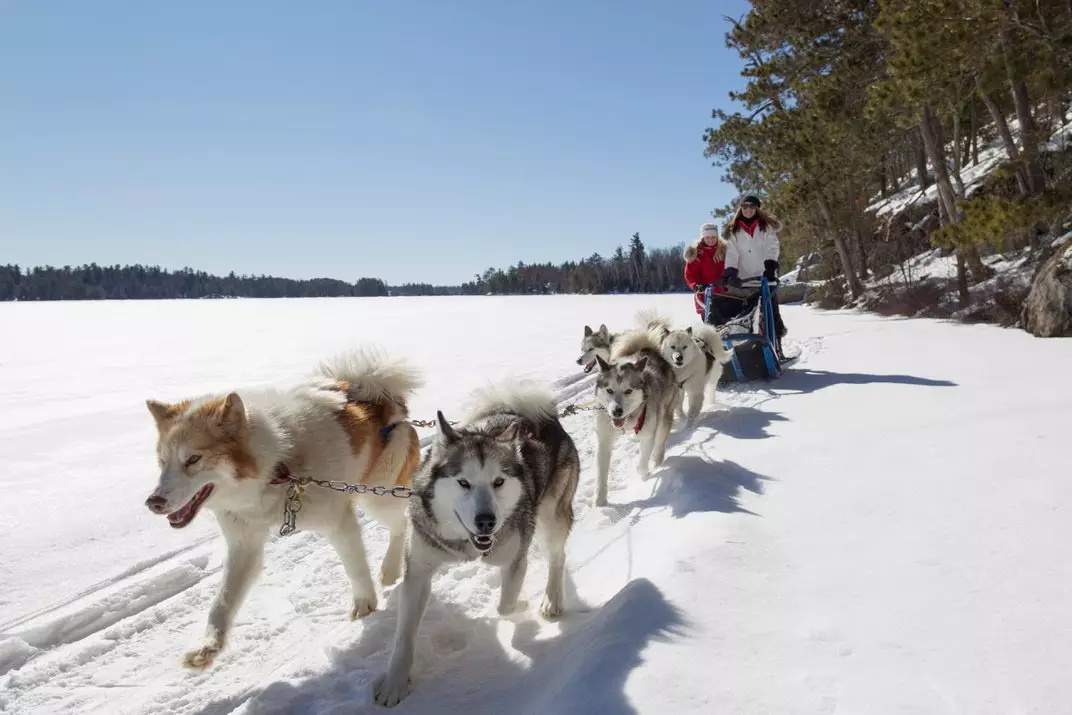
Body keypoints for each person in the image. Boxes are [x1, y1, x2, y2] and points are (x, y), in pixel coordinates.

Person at [715, 195, 787, 338]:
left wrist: (770, 266)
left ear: (757, 209)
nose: (748, 210)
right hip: (744, 279)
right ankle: (748, 346)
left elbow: (772, 247)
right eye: (745, 207)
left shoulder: (766, 227)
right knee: (746, 313)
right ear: (741, 209)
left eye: (752, 207)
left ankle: (777, 345)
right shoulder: (735, 230)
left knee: (770, 313)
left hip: (766, 276)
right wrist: (730, 272)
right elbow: (732, 253)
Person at [683, 222, 727, 318]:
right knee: (710, 325)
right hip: (704, 296)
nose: (710, 240)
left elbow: (730, 267)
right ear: (703, 238)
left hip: (724, 295)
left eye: (713, 237)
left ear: (717, 237)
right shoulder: (696, 253)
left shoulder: (724, 251)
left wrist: (727, 279)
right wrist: (696, 285)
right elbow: (690, 274)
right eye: (707, 237)